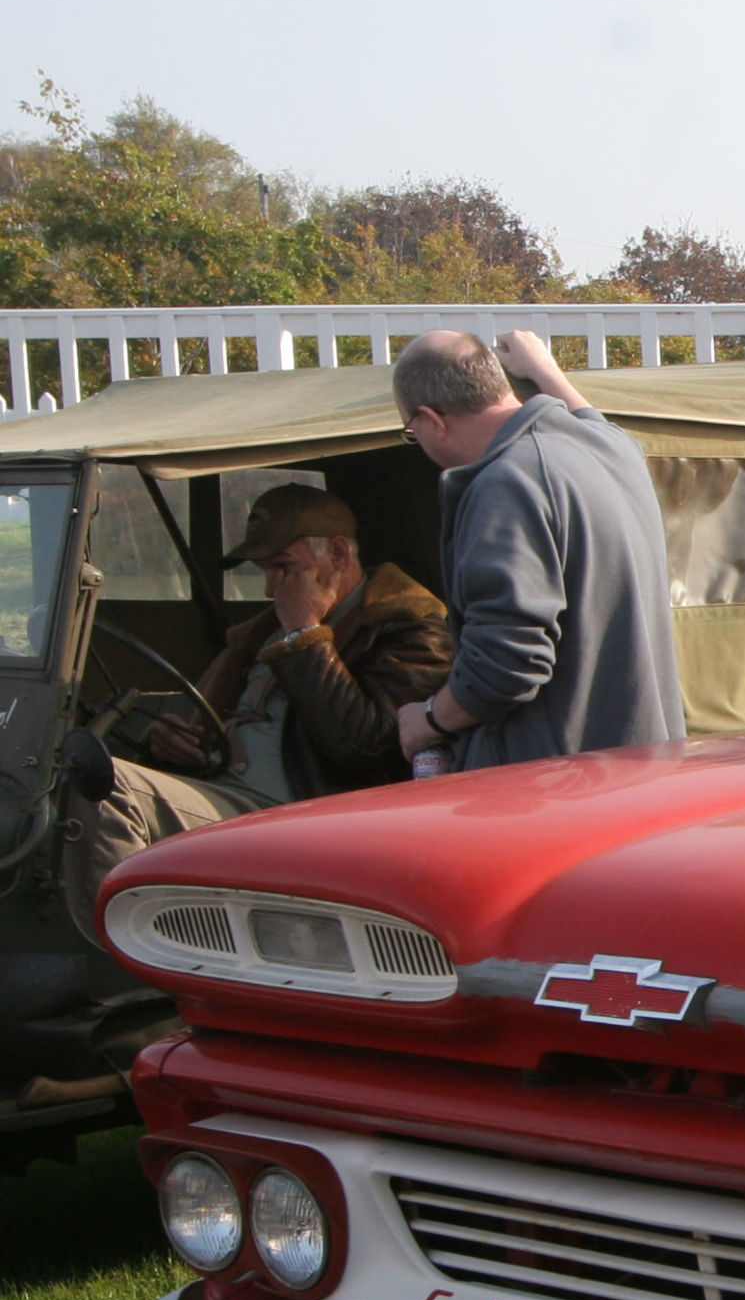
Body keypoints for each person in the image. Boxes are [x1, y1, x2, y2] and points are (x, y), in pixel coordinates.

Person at [61, 484, 453, 947]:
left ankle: (135, 965)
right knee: (61, 772)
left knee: (104, 786)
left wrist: (306, 633)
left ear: (340, 556)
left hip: (299, 816)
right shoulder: (262, 632)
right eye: (264, 571)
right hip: (225, 788)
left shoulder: (411, 631)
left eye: (283, 569)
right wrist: (180, 743)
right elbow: (233, 719)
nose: (270, 588)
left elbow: (361, 747)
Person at [390, 328, 685, 770]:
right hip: (645, 768)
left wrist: (428, 719)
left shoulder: (506, 484)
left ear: (433, 420)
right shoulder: (616, 449)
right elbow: (587, 417)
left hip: (556, 793)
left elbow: (506, 663)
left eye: (411, 431)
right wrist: (544, 371)